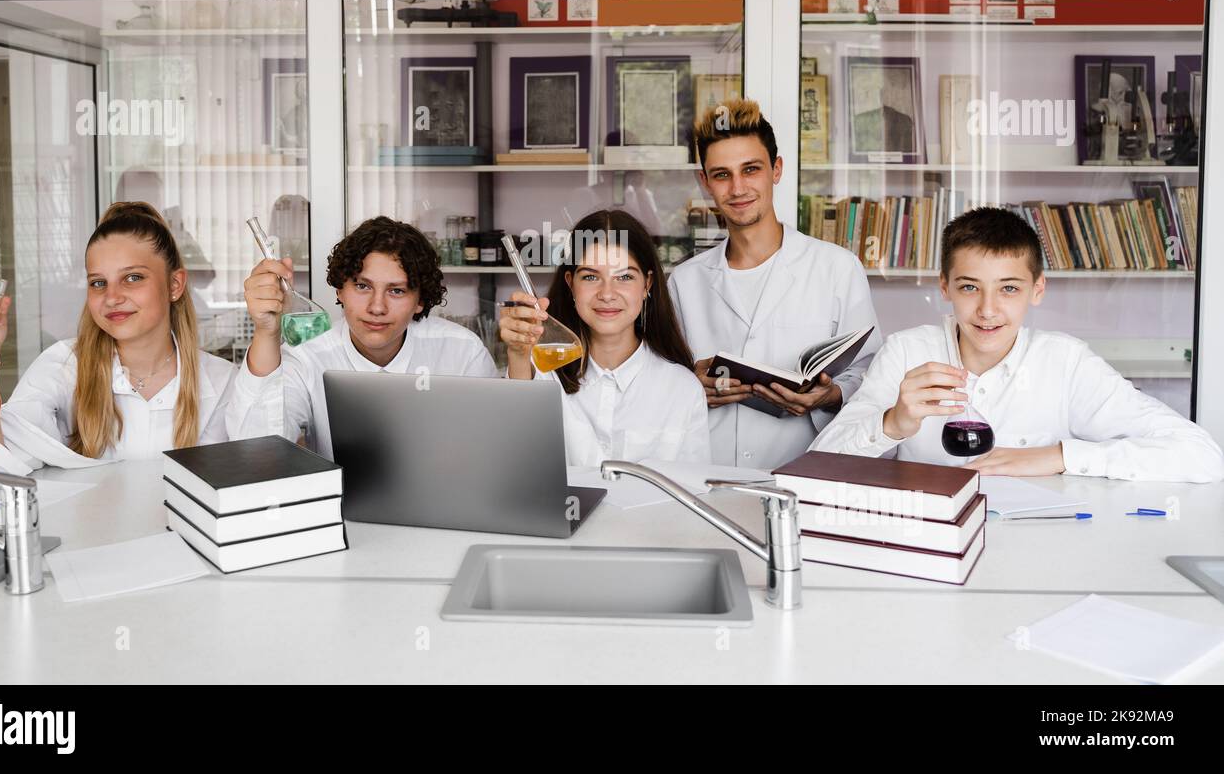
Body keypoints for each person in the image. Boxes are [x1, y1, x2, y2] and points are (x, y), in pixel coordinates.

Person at [811, 207, 1224, 482]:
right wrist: (892, 423)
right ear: (945, 288)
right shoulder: (907, 352)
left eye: (1008, 288)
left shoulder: (1065, 361)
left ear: (1037, 290)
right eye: (970, 287)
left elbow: (1202, 455)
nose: (988, 310)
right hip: (930, 550)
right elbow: (817, 466)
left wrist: (1060, 456)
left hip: (1040, 553)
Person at [668, 98, 882, 469]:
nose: (738, 188)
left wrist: (830, 395)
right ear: (705, 183)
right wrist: (689, 385)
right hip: (707, 476)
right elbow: (663, 380)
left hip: (803, 475)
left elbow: (869, 373)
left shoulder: (837, 268)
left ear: (776, 169)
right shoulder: (686, 281)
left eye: (750, 169)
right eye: (722, 174)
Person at [0, 202, 236, 474]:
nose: (112, 297)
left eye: (133, 277)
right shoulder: (64, 366)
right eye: (98, 283)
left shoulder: (220, 380)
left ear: (174, 285)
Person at [225, 216, 496, 460]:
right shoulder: (309, 355)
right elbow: (257, 453)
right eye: (362, 286)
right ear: (340, 290)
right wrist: (266, 331)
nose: (377, 307)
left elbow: (493, 452)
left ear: (420, 301)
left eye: (397, 291)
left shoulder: (461, 352)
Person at [500, 209, 709, 467]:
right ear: (570, 283)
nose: (607, 293)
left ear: (647, 285)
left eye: (624, 277)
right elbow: (512, 459)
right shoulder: (541, 373)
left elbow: (692, 490)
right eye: (590, 277)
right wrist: (519, 355)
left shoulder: (682, 390)